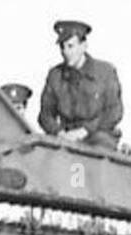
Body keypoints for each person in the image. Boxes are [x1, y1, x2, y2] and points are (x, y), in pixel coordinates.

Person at [37, 20, 123, 149]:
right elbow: (45, 115)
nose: (65, 52)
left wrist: (85, 130)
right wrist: (59, 133)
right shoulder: (55, 75)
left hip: (98, 139)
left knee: (100, 148)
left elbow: (114, 112)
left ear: (83, 46)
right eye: (62, 47)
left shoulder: (105, 72)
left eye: (70, 46)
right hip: (66, 139)